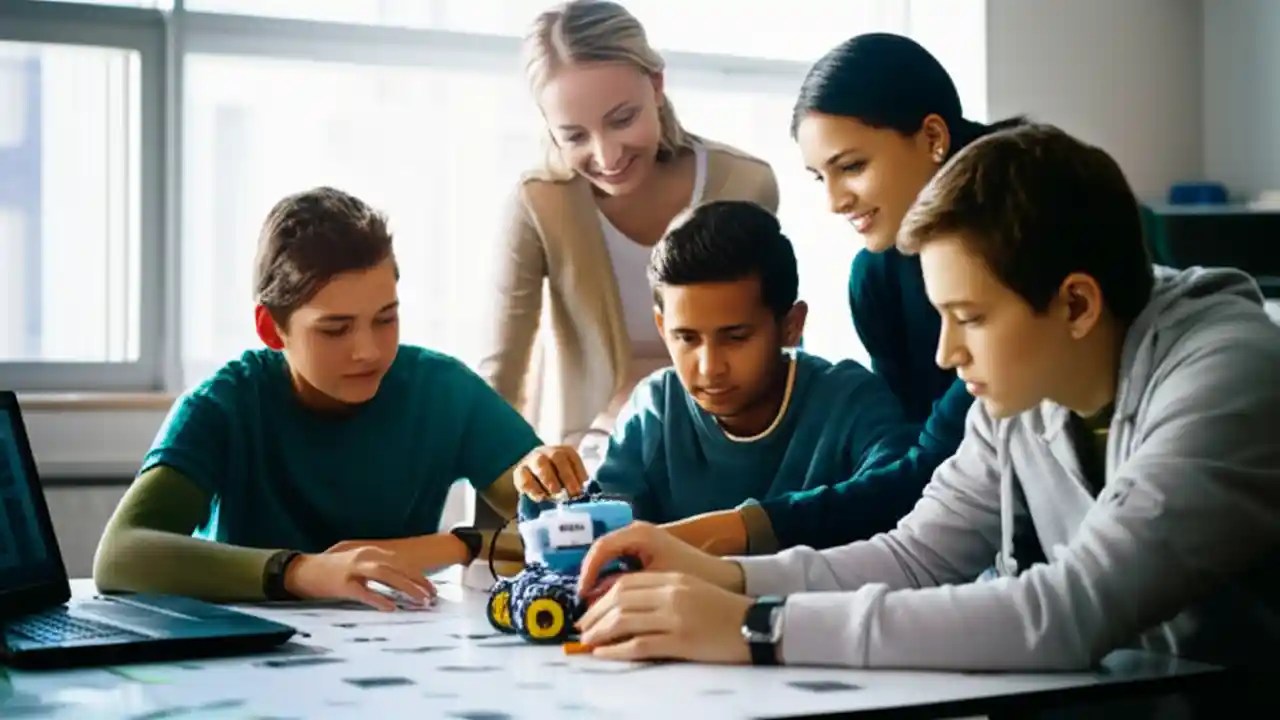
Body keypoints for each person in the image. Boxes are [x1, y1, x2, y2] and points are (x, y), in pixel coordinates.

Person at [572, 124, 1280, 674]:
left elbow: (1067, 614)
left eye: (969, 318)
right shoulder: (1023, 389)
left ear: (1076, 304)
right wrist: (718, 575)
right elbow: (915, 557)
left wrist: (754, 626)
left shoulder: (1226, 374)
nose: (946, 353)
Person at [94, 187, 574, 608]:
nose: (368, 351)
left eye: (385, 319)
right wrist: (302, 572)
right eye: (335, 329)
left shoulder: (442, 390)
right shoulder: (225, 405)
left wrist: (456, 544)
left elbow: (573, 532)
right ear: (271, 328)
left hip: (401, 650)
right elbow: (120, 555)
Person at [663, 32, 1025, 556]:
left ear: (932, 138)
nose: (834, 202)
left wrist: (715, 535)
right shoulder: (876, 275)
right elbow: (909, 465)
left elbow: (928, 467)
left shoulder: (1020, 249)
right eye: (820, 177)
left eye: (852, 167)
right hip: (962, 535)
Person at [478, 0, 779, 466]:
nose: (607, 155)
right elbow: (500, 382)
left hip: (723, 456)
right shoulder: (540, 202)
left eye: (622, 119)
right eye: (575, 136)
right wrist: (497, 527)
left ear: (656, 86)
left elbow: (769, 341)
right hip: (591, 463)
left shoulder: (744, 184)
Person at [516, 201, 910, 532]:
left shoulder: (850, 402)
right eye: (686, 338)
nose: (709, 368)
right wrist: (547, 489)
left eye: (736, 337)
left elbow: (903, 496)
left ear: (791, 326)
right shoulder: (656, 408)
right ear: (661, 327)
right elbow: (599, 532)